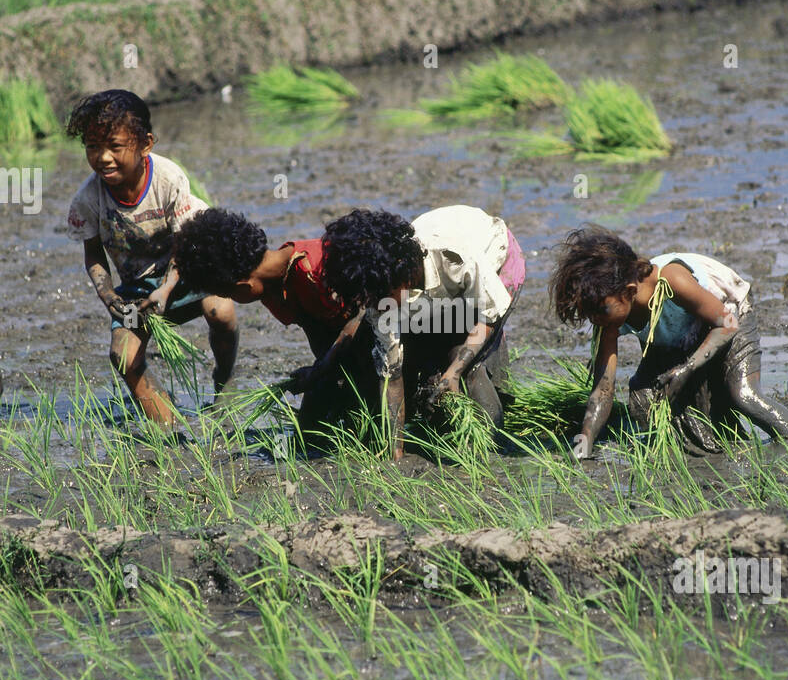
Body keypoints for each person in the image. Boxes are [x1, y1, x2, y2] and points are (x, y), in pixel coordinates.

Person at [550, 224, 788, 458]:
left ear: (628, 291)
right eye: (589, 315)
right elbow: (603, 391)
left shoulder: (672, 280)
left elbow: (727, 325)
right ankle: (689, 455)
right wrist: (583, 444)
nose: (596, 321)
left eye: (601, 311)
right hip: (677, 341)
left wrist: (688, 369)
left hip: (728, 318)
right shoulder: (607, 322)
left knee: (743, 395)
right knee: (644, 399)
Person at [66, 90, 237, 426]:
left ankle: (225, 381)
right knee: (123, 356)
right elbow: (93, 253)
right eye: (92, 147)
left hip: (189, 265)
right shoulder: (88, 199)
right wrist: (108, 295)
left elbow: (184, 241)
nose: (103, 158)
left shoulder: (167, 179)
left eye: (114, 146)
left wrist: (168, 287)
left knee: (221, 311)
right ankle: (169, 425)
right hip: (137, 288)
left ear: (145, 144)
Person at [321, 205, 526, 459]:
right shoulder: (381, 294)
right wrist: (395, 454)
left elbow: (489, 315)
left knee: (469, 367)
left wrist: (455, 371)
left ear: (400, 275)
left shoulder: (454, 257)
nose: (376, 307)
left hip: (497, 262)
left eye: (379, 297)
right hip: (442, 290)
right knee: (432, 353)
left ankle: (492, 451)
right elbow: (391, 375)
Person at [171, 207, 375, 429]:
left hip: (384, 339)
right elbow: (317, 335)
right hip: (344, 354)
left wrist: (321, 369)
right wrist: (320, 373)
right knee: (309, 426)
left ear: (244, 286)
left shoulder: (315, 269)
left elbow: (364, 315)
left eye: (230, 295)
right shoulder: (274, 292)